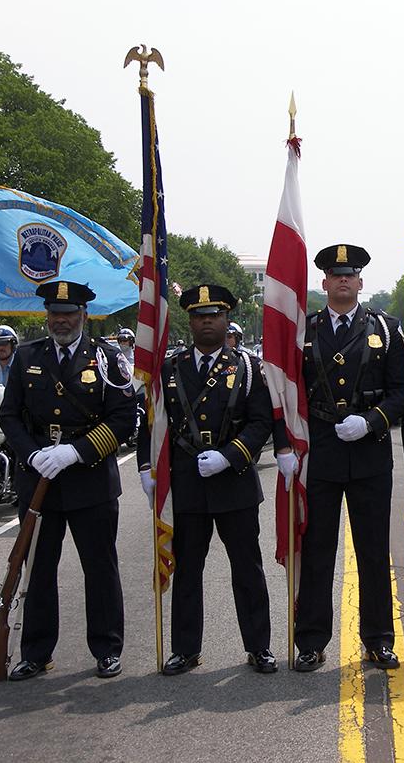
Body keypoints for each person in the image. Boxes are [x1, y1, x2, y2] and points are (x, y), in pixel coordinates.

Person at [138, 284, 284, 676]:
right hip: (185, 482)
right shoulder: (169, 368)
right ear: (189, 320)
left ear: (225, 319)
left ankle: (259, 646)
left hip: (232, 480)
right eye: (200, 315)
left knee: (247, 569)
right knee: (187, 570)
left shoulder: (249, 367)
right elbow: (152, 423)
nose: (208, 321)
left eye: (215, 315)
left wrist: (229, 456)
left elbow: (260, 424)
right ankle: (185, 649)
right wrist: (145, 467)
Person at [0, 281, 136, 680]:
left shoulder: (109, 360)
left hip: (90, 480)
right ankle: (37, 653)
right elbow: (10, 415)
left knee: (100, 568)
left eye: (69, 313)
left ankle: (107, 648)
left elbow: (124, 418)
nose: (62, 320)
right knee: (39, 570)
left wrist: (76, 452)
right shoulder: (27, 358)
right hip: (40, 479)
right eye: (55, 313)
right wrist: (33, 453)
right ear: (46, 315)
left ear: (83, 315)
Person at [290, 244, 404, 672]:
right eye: (335, 275)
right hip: (321, 452)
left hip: (369, 455)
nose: (343, 281)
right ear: (324, 283)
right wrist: (286, 447)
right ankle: (311, 640)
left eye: (350, 275)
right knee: (318, 549)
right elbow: (287, 392)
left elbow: (402, 394)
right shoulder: (303, 330)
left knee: (374, 552)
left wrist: (372, 422)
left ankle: (378, 639)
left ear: (361, 282)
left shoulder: (388, 329)